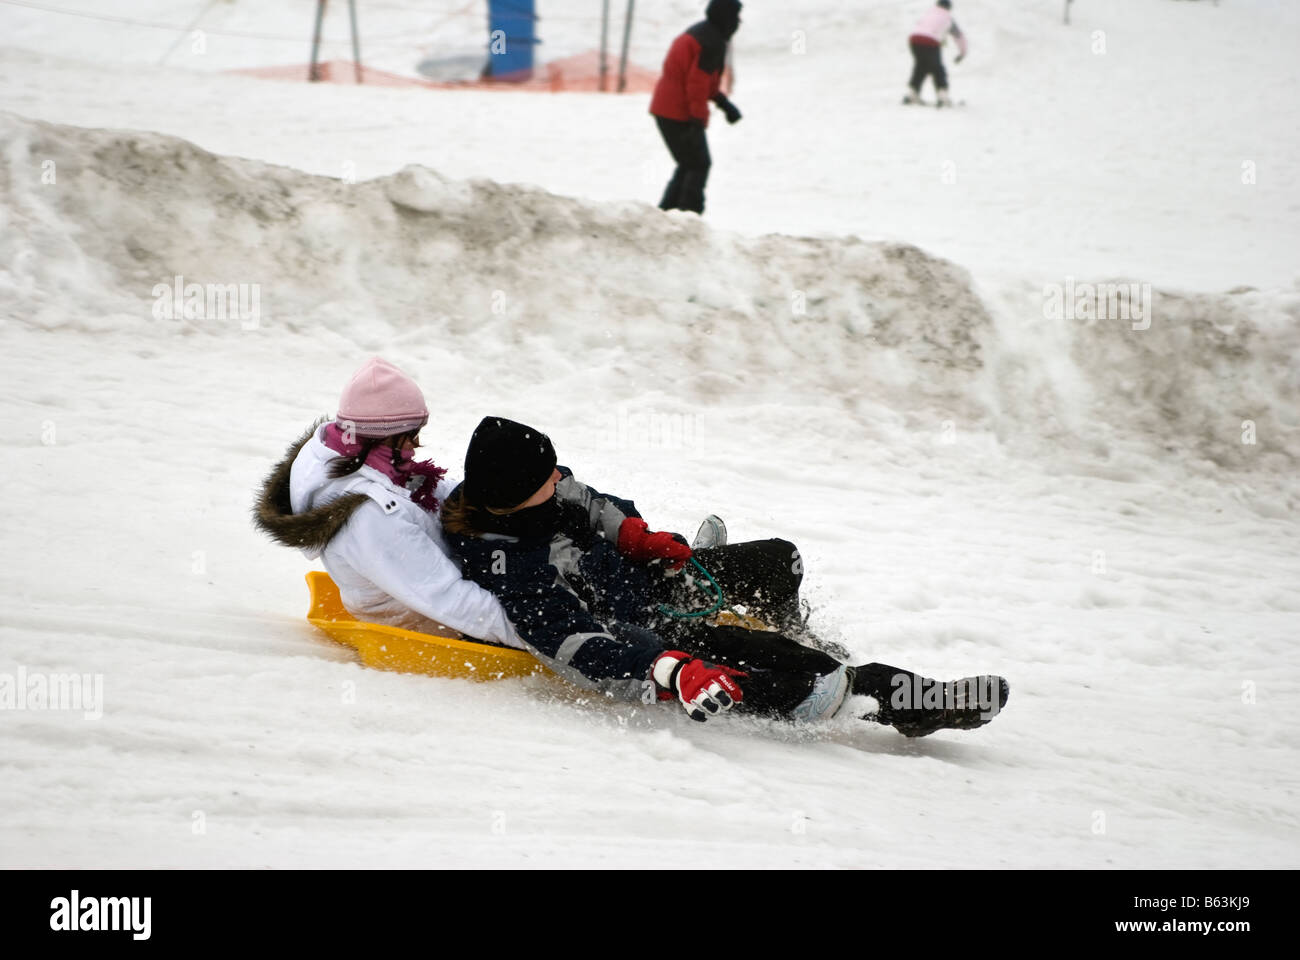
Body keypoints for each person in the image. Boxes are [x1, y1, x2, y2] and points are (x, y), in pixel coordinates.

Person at [440, 416, 1010, 736]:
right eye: (548, 478)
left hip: (652, 582)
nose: (560, 478)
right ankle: (903, 700)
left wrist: (634, 536)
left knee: (778, 560)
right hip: (644, 634)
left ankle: (785, 625)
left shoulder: (536, 487)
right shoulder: (511, 565)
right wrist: (667, 668)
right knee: (802, 672)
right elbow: (569, 640)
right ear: (513, 499)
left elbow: (594, 502)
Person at [253, 357, 520, 647]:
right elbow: (450, 599)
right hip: (422, 622)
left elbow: (426, 494)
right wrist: (540, 635)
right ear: (379, 436)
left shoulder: (352, 455)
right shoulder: (371, 517)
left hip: (418, 584)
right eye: (410, 436)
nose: (416, 446)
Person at [648, 0, 744, 214]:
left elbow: (703, 81)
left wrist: (723, 103)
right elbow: (697, 84)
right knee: (699, 164)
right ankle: (688, 215)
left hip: (666, 109)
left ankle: (666, 214)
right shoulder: (711, 41)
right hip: (678, 113)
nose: (739, 22)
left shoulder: (702, 33)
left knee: (689, 163)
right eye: (736, 17)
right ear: (726, 18)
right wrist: (697, 121)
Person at [903, 0, 968, 108]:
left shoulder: (929, 12)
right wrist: (962, 53)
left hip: (914, 39)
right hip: (930, 41)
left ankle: (912, 93)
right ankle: (942, 95)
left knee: (921, 66)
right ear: (948, 8)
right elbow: (958, 36)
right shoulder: (948, 18)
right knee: (937, 68)